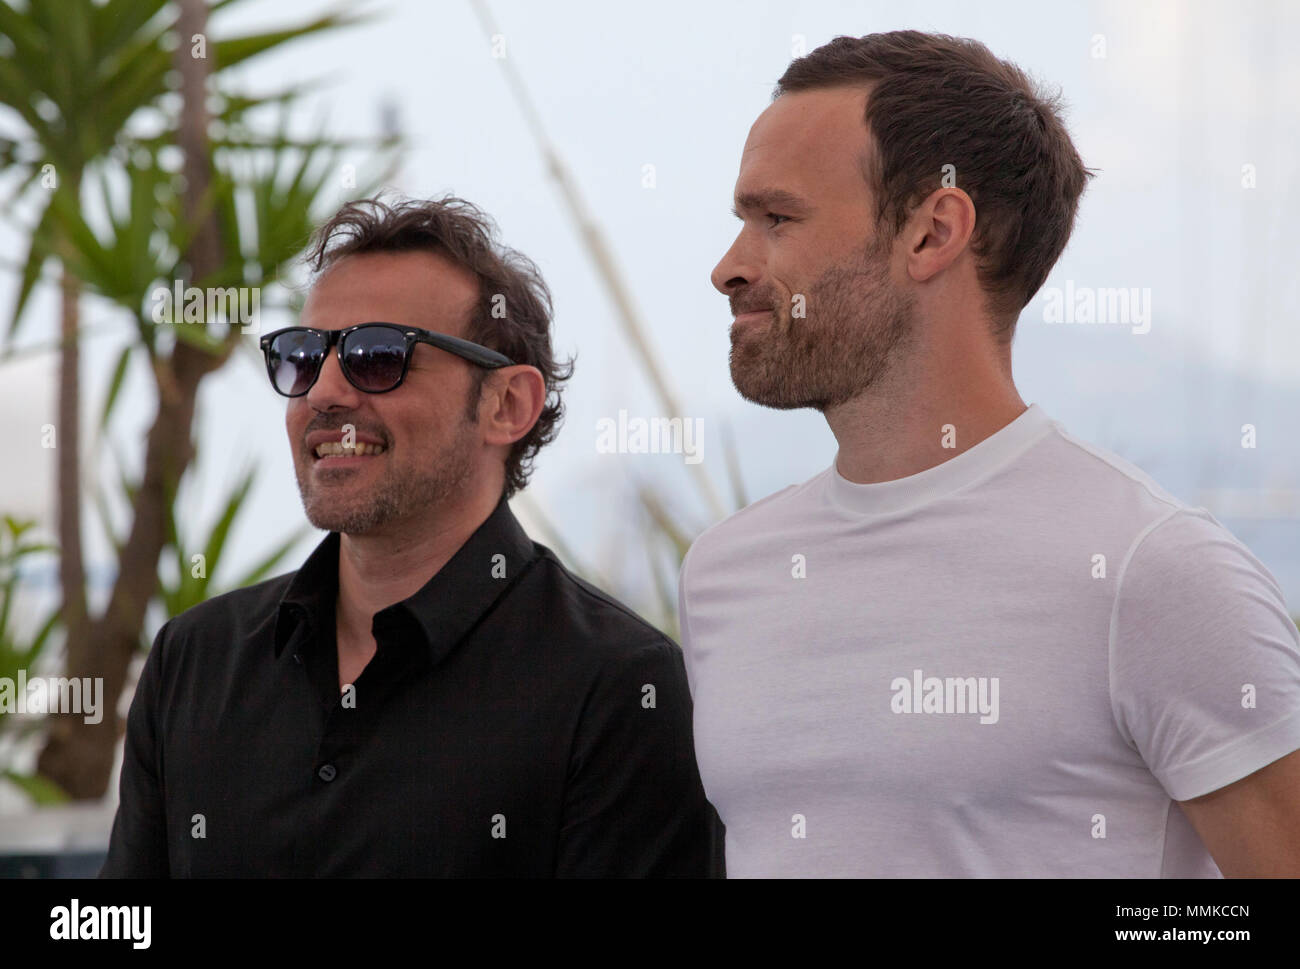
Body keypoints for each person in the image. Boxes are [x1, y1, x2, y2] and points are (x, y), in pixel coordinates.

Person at [679, 30, 1300, 877]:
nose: (727, 267)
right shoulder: (723, 575)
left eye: (777, 218)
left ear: (933, 232)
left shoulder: (1151, 572)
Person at [102, 195, 722, 877]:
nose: (323, 393)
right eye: (304, 357)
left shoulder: (618, 687)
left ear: (507, 404)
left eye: (376, 354)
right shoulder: (193, 663)